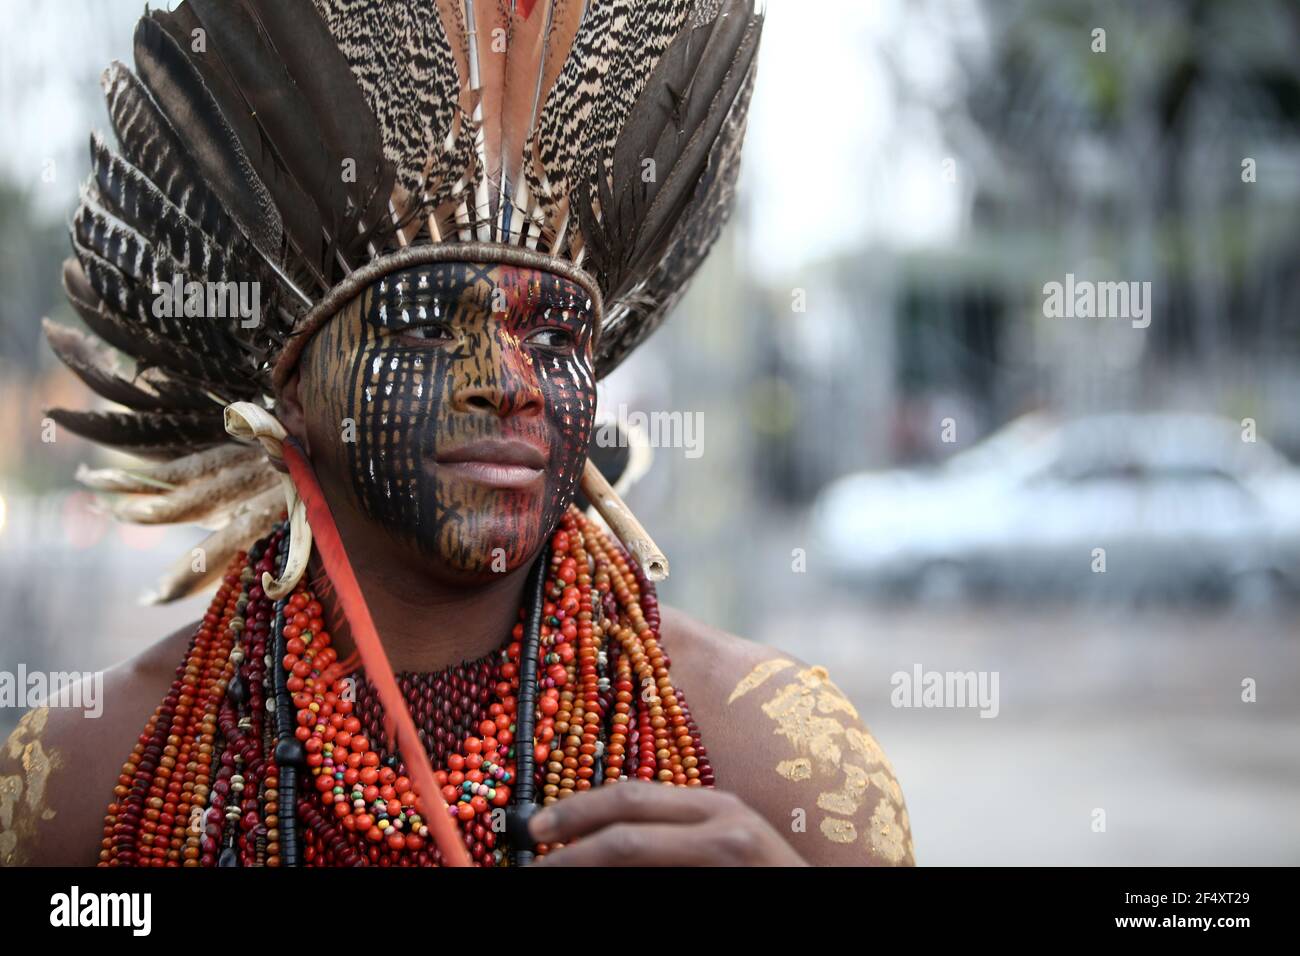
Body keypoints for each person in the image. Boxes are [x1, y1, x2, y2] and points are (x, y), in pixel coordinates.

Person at [0, 0, 912, 867]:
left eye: (556, 338)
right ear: (294, 395)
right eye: (426, 326)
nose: (510, 386)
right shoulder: (83, 777)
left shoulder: (777, 763)